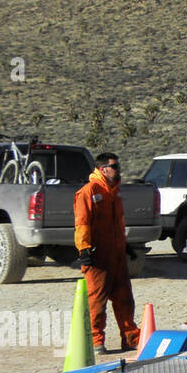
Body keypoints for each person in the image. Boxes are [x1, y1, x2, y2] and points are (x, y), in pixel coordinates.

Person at [74, 152, 140, 356]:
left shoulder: (114, 192)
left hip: (116, 255)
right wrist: (84, 249)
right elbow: (82, 222)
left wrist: (125, 244)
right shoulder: (89, 191)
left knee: (125, 300)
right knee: (97, 302)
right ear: (103, 169)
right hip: (98, 256)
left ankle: (130, 339)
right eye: (115, 166)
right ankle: (96, 341)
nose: (118, 169)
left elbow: (118, 222)